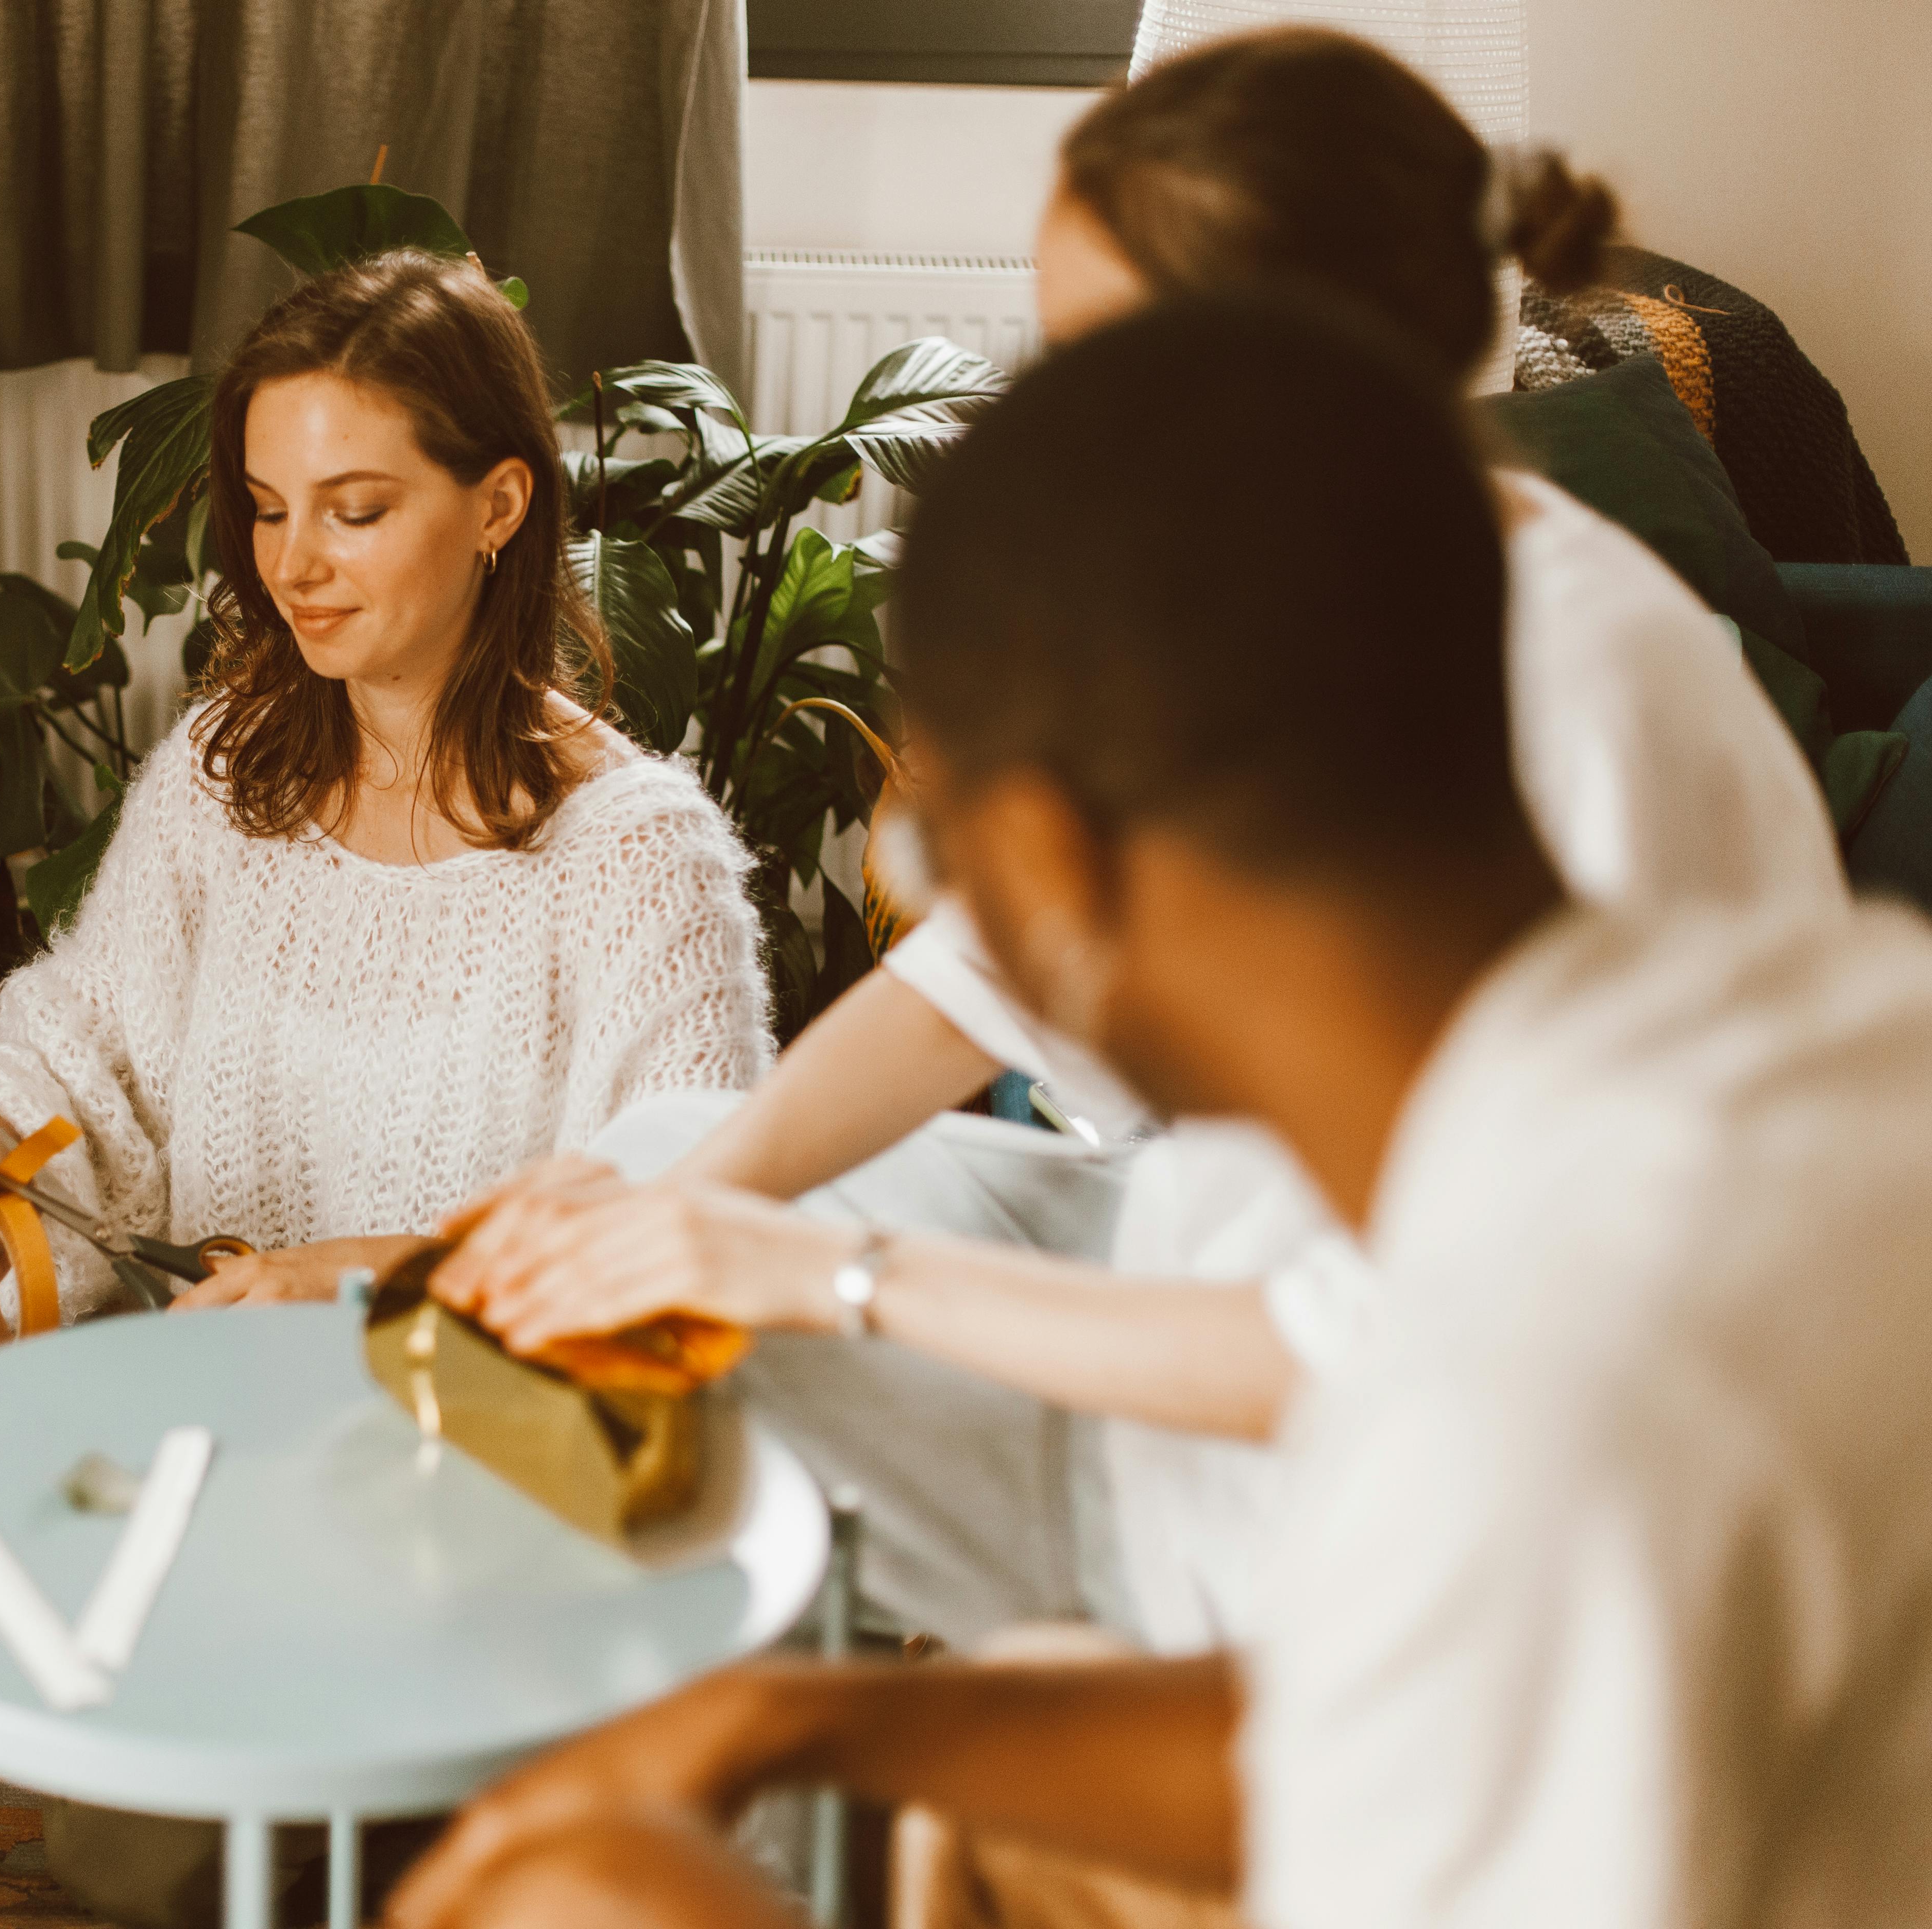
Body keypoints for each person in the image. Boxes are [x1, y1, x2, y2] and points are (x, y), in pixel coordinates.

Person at [392, 292, 1932, 1929]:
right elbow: (1367, 1740)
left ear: (1044, 870)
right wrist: (805, 1717)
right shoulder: (1846, 1032)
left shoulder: (1507, 1408)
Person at [441, 26, 1846, 1653]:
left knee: (675, 1388)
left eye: (1113, 363)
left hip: (1342, 1492)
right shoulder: (1279, 575)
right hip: (1168, 1245)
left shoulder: (1580, 711)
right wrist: (693, 1212)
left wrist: (826, 1282)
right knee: (641, 1170)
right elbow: (979, 987)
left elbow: (1433, 1353)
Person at [0, 246, 770, 1927]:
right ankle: (193, 1633)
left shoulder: (637, 862)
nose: (294, 566)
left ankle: (260, 1683)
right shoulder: (231, 768)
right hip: (163, 1391)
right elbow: (85, 1038)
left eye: (356, 509)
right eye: (265, 506)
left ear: (501, 504)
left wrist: (349, 1285)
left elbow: (676, 1276)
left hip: (436, 1460)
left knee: (135, 1857)